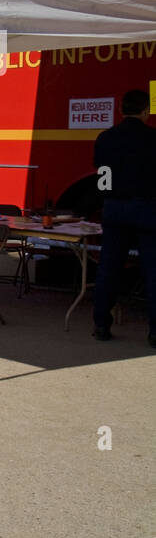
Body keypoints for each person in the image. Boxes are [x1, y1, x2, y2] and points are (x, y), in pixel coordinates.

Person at [91, 89, 156, 347]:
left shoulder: (105, 138)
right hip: (147, 209)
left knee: (108, 269)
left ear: (121, 110)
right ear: (145, 111)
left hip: (115, 209)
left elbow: (102, 174)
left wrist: (110, 198)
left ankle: (101, 326)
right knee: (152, 271)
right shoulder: (153, 138)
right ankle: (154, 331)